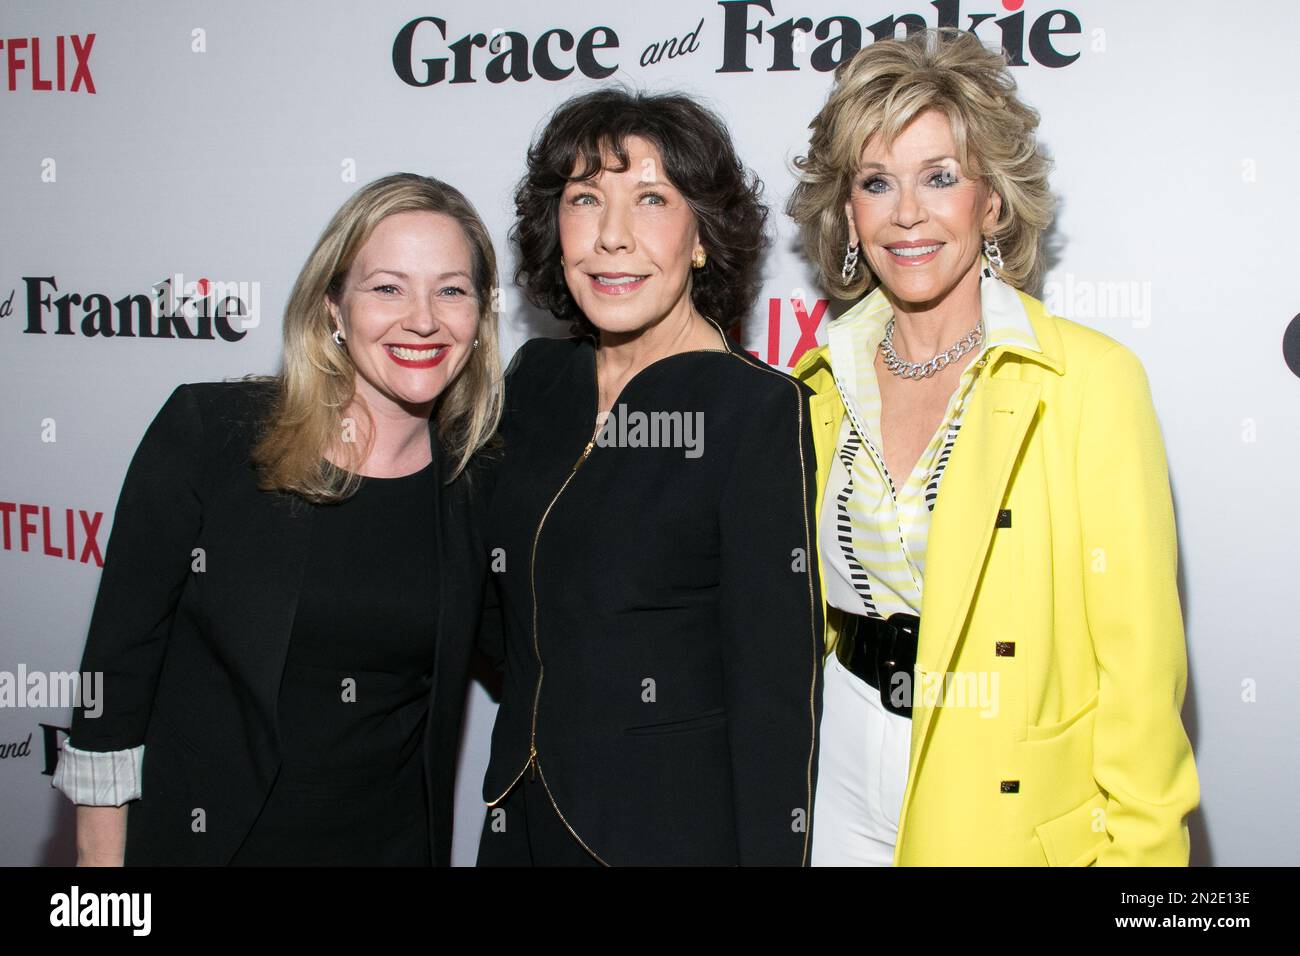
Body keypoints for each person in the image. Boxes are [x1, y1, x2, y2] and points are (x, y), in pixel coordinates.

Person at [786, 28, 1198, 865]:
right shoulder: (817, 384)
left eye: (941, 178)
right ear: (848, 212)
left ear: (993, 201)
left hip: (1000, 783)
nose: (908, 213)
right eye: (876, 183)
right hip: (834, 764)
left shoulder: (1087, 381)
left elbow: (1141, 673)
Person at [52, 173, 503, 866]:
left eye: (452, 290)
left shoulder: (473, 484)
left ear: (479, 318)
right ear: (332, 307)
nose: (423, 319)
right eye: (387, 287)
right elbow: (115, 674)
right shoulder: (212, 436)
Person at [475, 88, 823, 866]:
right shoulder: (538, 380)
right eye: (585, 199)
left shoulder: (757, 412)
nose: (611, 237)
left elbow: (775, 702)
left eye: (652, 200)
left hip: (665, 832)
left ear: (702, 236)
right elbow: (501, 607)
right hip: (519, 816)